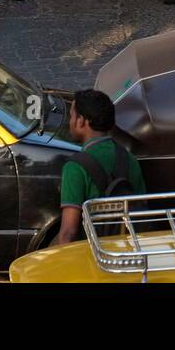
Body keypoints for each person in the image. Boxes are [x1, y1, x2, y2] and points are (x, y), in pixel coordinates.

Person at [52, 89, 146, 246]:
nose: (70, 121)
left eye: (71, 116)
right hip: (128, 251)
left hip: (93, 255)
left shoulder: (74, 167)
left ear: (82, 121)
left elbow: (68, 232)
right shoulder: (129, 159)